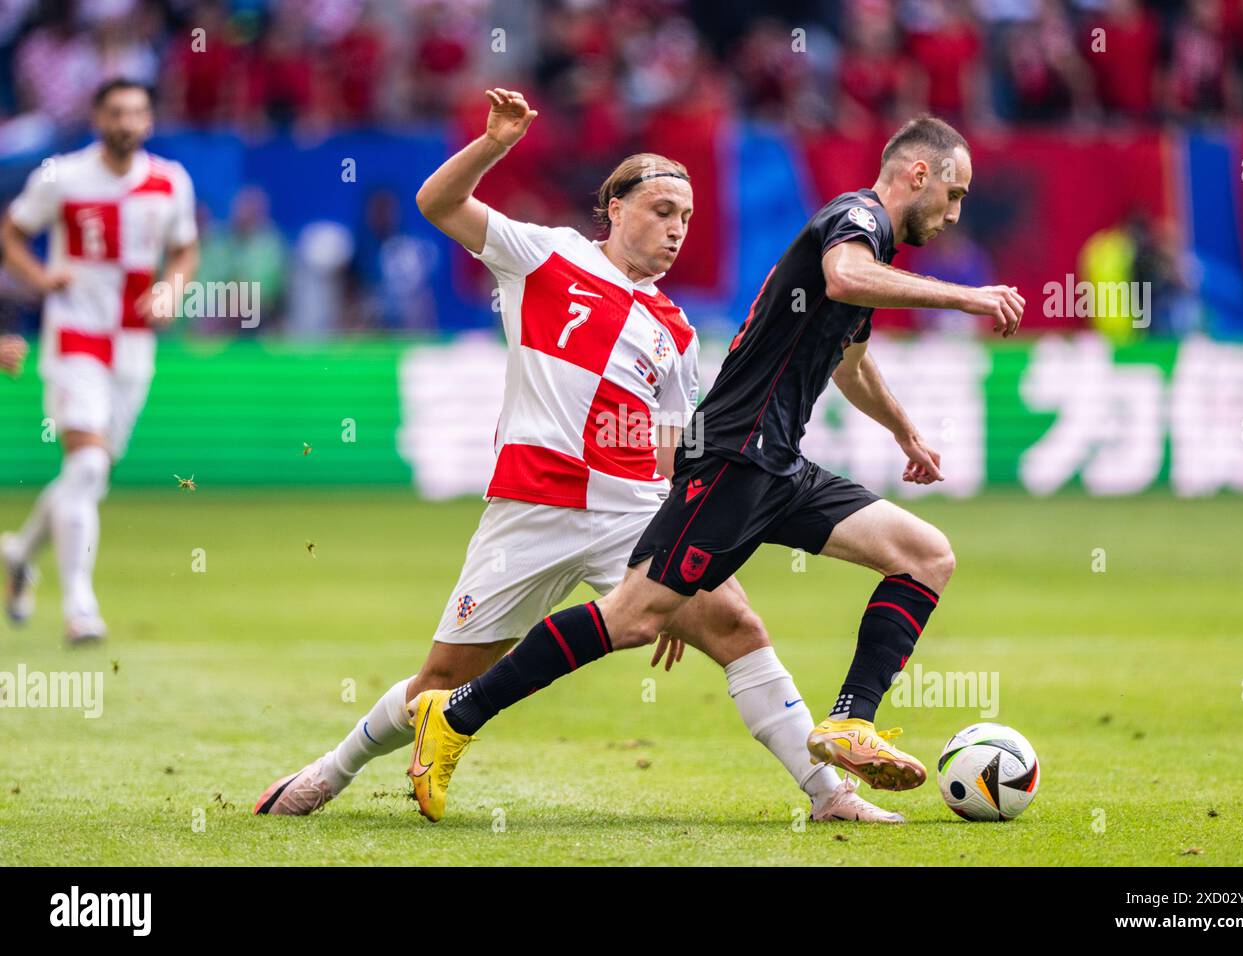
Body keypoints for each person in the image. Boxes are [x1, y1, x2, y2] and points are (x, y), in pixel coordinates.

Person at [254, 89, 900, 826]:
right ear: (615, 207)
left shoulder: (677, 330)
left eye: (686, 218)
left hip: (628, 516)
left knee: (738, 630)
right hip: (530, 508)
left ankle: (830, 797)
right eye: (661, 211)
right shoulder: (543, 253)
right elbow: (437, 202)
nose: (675, 229)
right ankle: (327, 774)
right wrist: (496, 142)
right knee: (445, 679)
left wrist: (684, 559)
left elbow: (675, 451)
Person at [409, 113, 1026, 819]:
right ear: (920, 175)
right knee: (636, 618)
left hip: (778, 462)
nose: (954, 213)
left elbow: (851, 361)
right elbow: (846, 276)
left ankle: (850, 721)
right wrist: (968, 297)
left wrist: (906, 434)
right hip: (734, 454)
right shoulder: (854, 221)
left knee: (925, 555)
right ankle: (455, 716)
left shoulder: (866, 247)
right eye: (955, 194)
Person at [1, 78, 198, 643]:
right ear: (97, 119)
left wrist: (172, 289)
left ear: (150, 122)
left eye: (137, 112)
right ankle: (80, 607)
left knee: (89, 476)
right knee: (85, 470)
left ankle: (18, 553)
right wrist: (39, 280)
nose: (127, 122)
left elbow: (185, 249)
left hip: (134, 346)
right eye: (116, 112)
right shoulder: (60, 176)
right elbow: (12, 234)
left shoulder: (170, 182)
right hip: (76, 337)